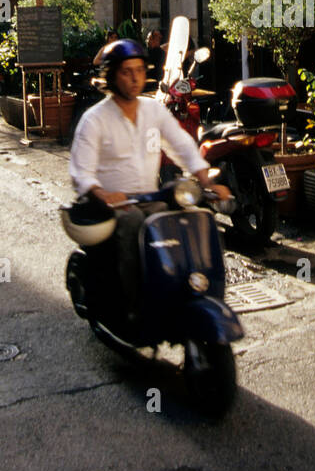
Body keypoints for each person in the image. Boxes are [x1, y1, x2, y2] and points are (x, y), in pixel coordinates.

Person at [69, 39, 230, 324]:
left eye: (140, 70)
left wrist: (206, 180)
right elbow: (81, 172)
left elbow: (181, 144)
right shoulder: (94, 119)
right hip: (111, 206)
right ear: (111, 76)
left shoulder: (152, 110)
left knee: (187, 222)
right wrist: (102, 193)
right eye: (126, 72)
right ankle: (134, 308)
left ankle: (186, 292)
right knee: (132, 227)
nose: (134, 78)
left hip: (147, 198)